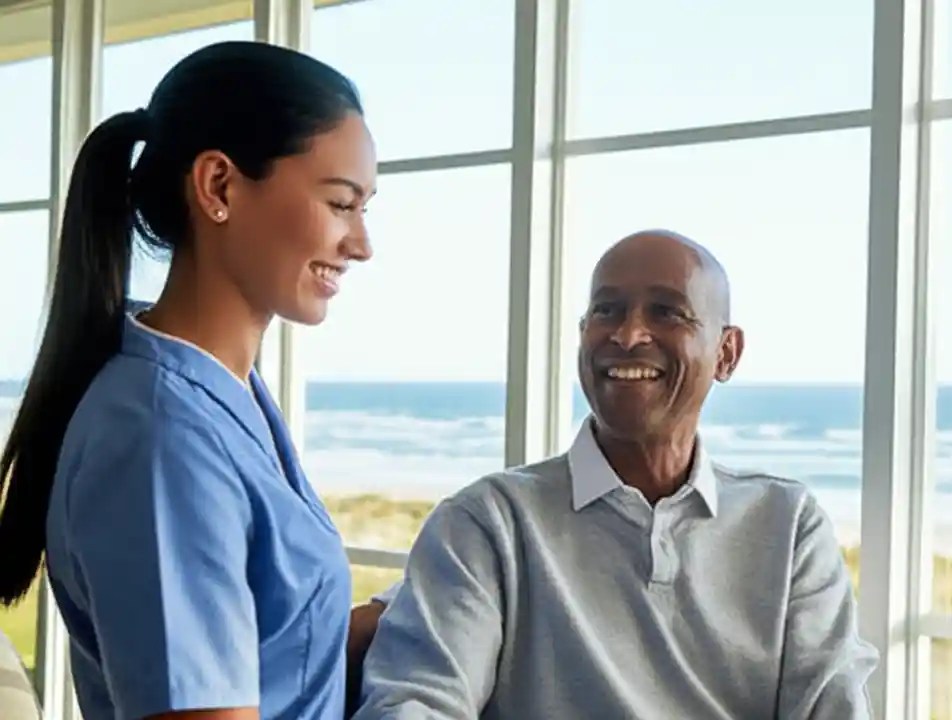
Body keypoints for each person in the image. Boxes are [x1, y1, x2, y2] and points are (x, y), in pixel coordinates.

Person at [353, 230, 879, 719]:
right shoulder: (488, 521)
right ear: (584, 336)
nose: (628, 335)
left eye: (667, 312)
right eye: (607, 311)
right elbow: (418, 701)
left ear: (726, 352)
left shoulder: (788, 526)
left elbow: (832, 707)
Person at [0, 41, 378, 720]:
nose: (361, 244)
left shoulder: (224, 396)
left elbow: (279, 654)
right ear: (219, 187)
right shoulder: (158, 435)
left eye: (363, 208)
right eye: (341, 203)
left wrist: (446, 595)